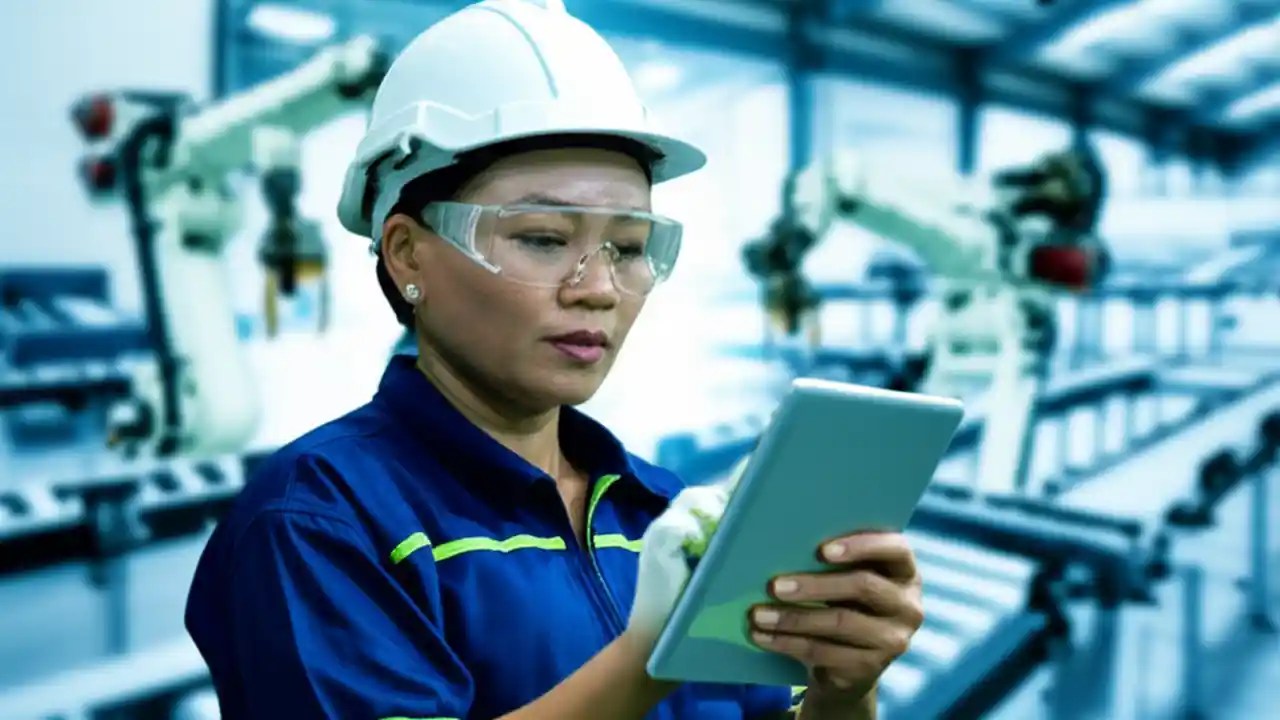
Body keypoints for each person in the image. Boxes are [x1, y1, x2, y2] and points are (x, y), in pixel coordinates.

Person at [184, 1, 925, 718]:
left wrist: (843, 691)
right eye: (543, 238)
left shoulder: (656, 511)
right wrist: (647, 659)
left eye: (630, 249)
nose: (600, 288)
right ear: (408, 253)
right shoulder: (319, 522)